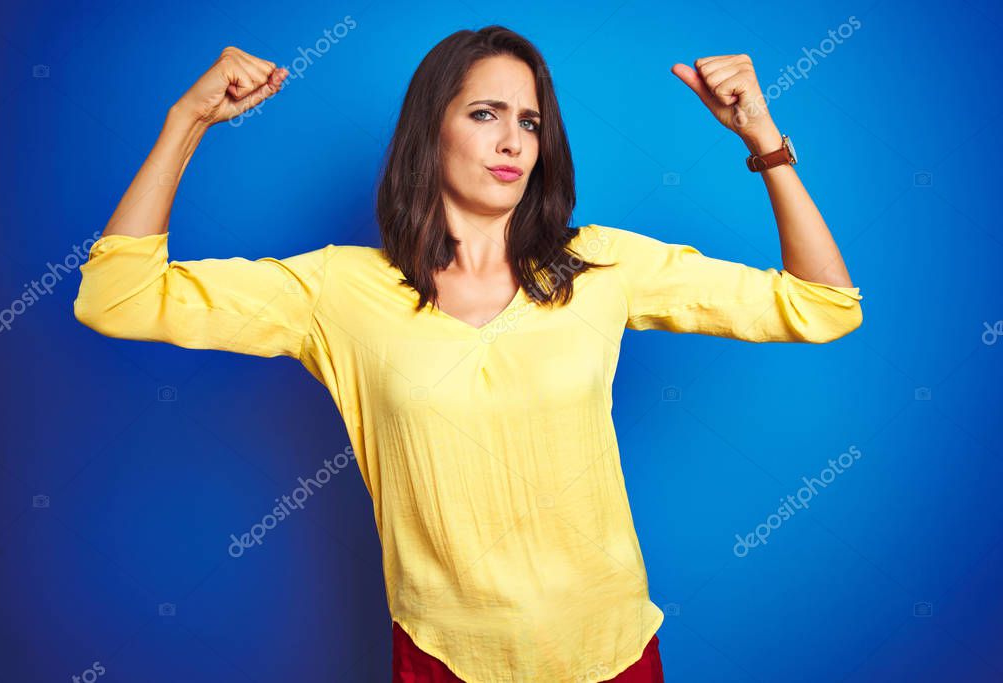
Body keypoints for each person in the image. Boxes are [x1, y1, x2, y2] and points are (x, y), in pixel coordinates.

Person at [73, 26, 862, 683]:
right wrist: (187, 121)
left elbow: (823, 306)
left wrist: (764, 140)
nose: (513, 140)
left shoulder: (604, 266)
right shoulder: (339, 290)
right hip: (445, 658)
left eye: (530, 121)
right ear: (433, 129)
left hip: (612, 652)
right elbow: (117, 297)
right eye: (486, 113)